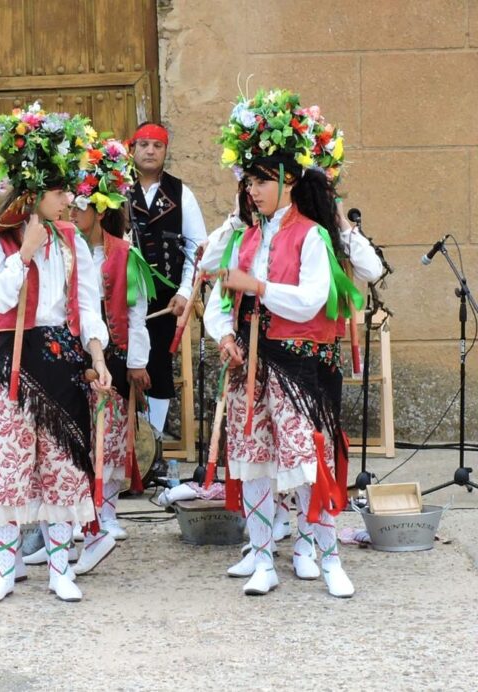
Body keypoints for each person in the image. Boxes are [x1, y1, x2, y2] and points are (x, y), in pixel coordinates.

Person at [205, 89, 363, 597]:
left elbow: (313, 300)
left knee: (304, 462)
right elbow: (218, 298)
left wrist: (261, 289)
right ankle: (263, 561)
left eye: (260, 180)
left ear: (288, 181)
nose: (252, 190)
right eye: (248, 181)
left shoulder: (313, 236)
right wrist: (225, 332)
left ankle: (328, 554)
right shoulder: (246, 237)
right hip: (250, 366)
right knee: (253, 461)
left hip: (298, 367)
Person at [0, 103, 112, 603]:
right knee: (11, 462)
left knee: (63, 464)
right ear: (31, 195)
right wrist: (23, 250)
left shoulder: (73, 242)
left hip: (61, 356)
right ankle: (5, 568)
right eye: (59, 190)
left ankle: (61, 568)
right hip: (14, 359)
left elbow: (89, 307)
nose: (69, 198)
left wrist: (98, 355)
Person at [69, 135, 153, 572]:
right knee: (79, 432)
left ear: (99, 211)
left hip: (113, 355)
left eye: (80, 206)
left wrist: (136, 361)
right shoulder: (62, 250)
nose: (72, 213)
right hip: (71, 353)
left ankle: (108, 510)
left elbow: (137, 313)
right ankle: (81, 511)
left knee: (114, 432)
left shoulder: (125, 254)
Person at [128, 123, 207, 437]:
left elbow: (196, 249)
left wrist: (185, 292)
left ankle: (152, 444)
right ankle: (123, 444)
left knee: (157, 366)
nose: (150, 151)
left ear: (165, 151)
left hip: (165, 299)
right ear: (132, 148)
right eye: (144, 144)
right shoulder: (115, 189)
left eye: (157, 146)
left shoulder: (180, 192)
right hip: (123, 297)